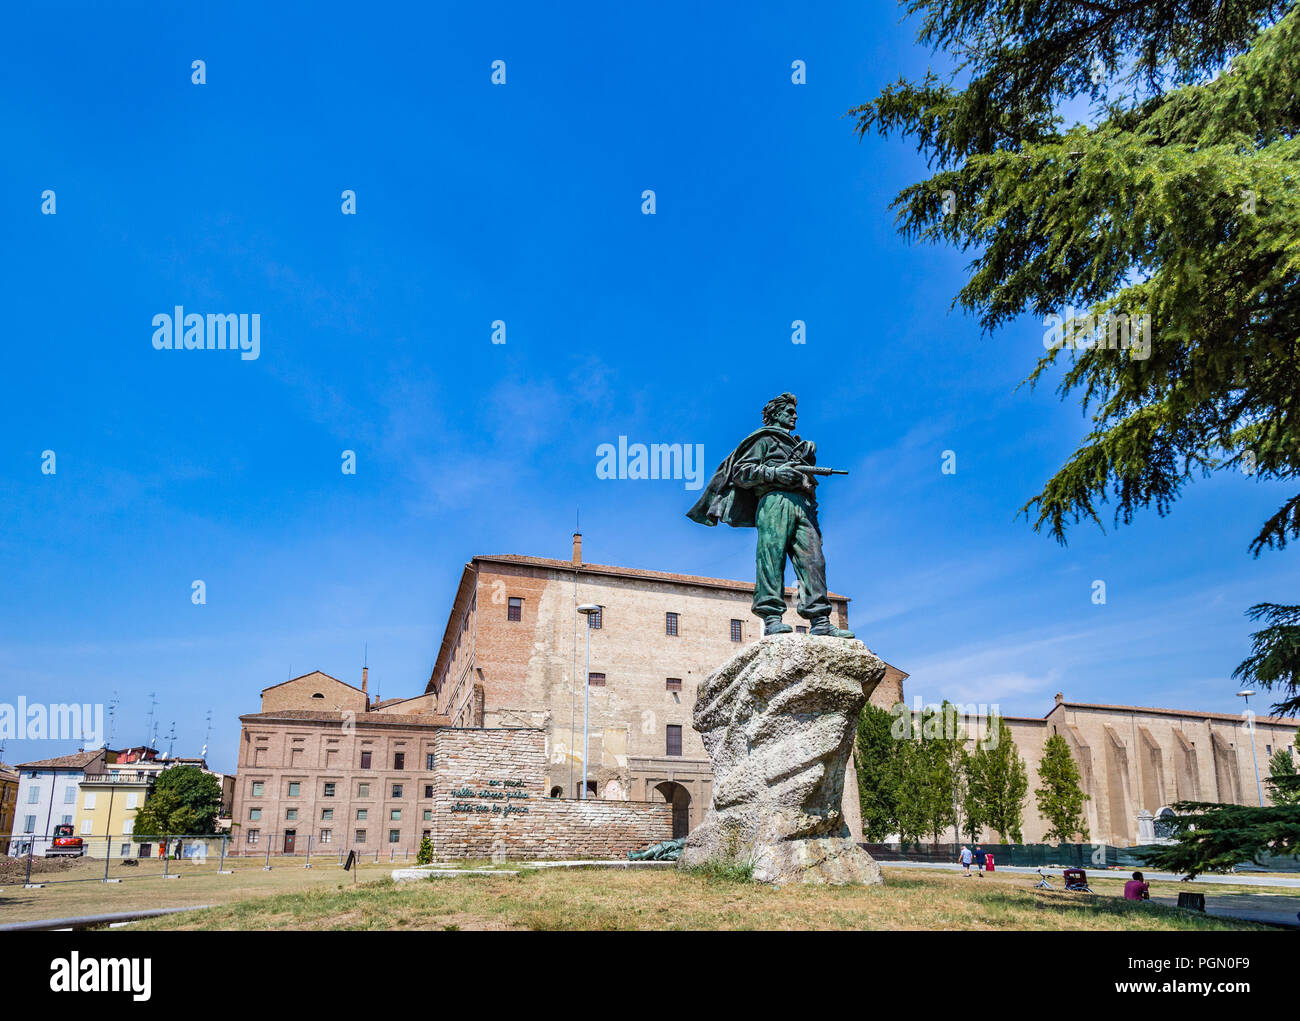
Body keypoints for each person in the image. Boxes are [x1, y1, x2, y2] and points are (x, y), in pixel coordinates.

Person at [687, 393, 854, 638]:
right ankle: (772, 617)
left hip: (802, 504)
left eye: (794, 412)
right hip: (774, 501)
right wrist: (774, 474)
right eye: (789, 412)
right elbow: (741, 472)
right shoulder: (763, 439)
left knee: (814, 561)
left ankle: (820, 620)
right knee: (771, 559)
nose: (794, 416)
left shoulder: (794, 444)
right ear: (775, 414)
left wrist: (808, 455)